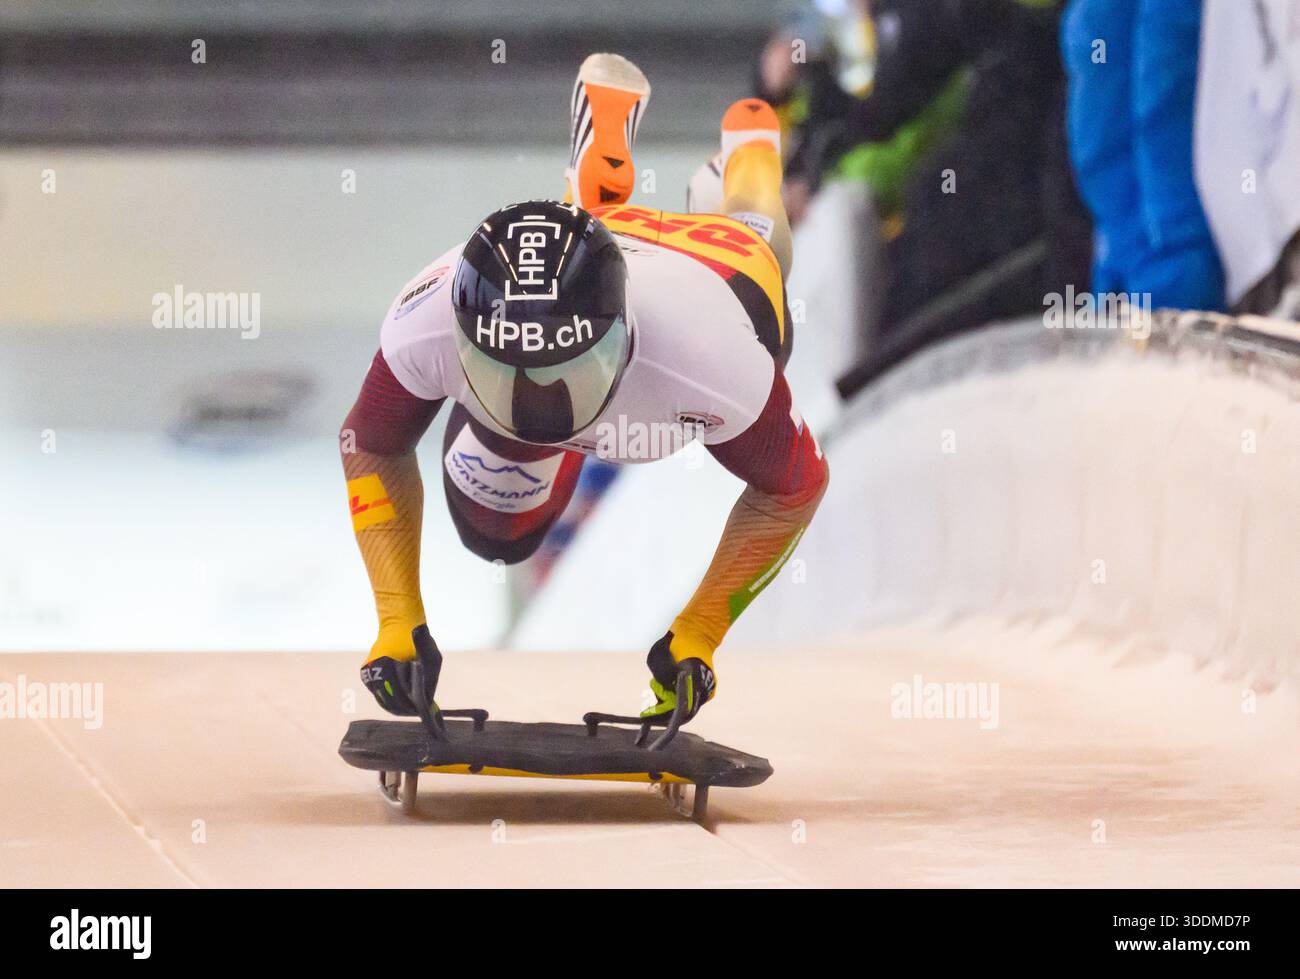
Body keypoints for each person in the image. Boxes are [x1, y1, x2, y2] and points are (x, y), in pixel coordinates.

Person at [340, 54, 829, 723]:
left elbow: (796, 486)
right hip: (634, 282)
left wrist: (701, 631)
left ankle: (746, 164)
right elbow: (365, 442)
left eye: (563, 375)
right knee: (497, 536)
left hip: (711, 269)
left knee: (762, 242)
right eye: (512, 378)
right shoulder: (425, 318)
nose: (541, 410)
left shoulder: (713, 357)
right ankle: (598, 203)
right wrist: (397, 622)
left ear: (620, 334)